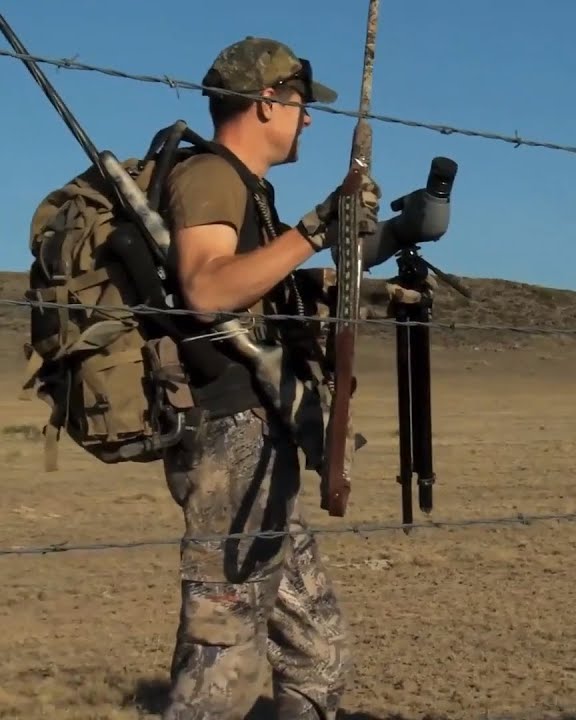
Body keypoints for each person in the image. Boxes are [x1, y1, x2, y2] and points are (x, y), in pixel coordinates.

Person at [156, 37, 382, 719]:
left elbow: (259, 287)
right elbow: (206, 287)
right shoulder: (209, 175)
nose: (307, 118)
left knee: (318, 650)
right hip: (228, 435)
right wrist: (316, 228)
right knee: (220, 671)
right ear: (265, 101)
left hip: (261, 433)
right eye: (301, 103)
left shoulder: (249, 189)